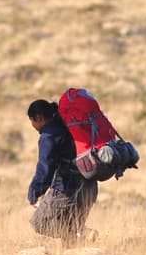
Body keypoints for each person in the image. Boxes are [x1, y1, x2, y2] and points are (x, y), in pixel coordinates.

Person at [27, 99, 97, 245]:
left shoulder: (49, 135)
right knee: (69, 241)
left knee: (39, 223)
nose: (33, 126)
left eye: (32, 121)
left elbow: (46, 165)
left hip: (67, 189)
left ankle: (82, 233)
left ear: (38, 118)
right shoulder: (67, 125)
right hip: (90, 184)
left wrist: (35, 190)